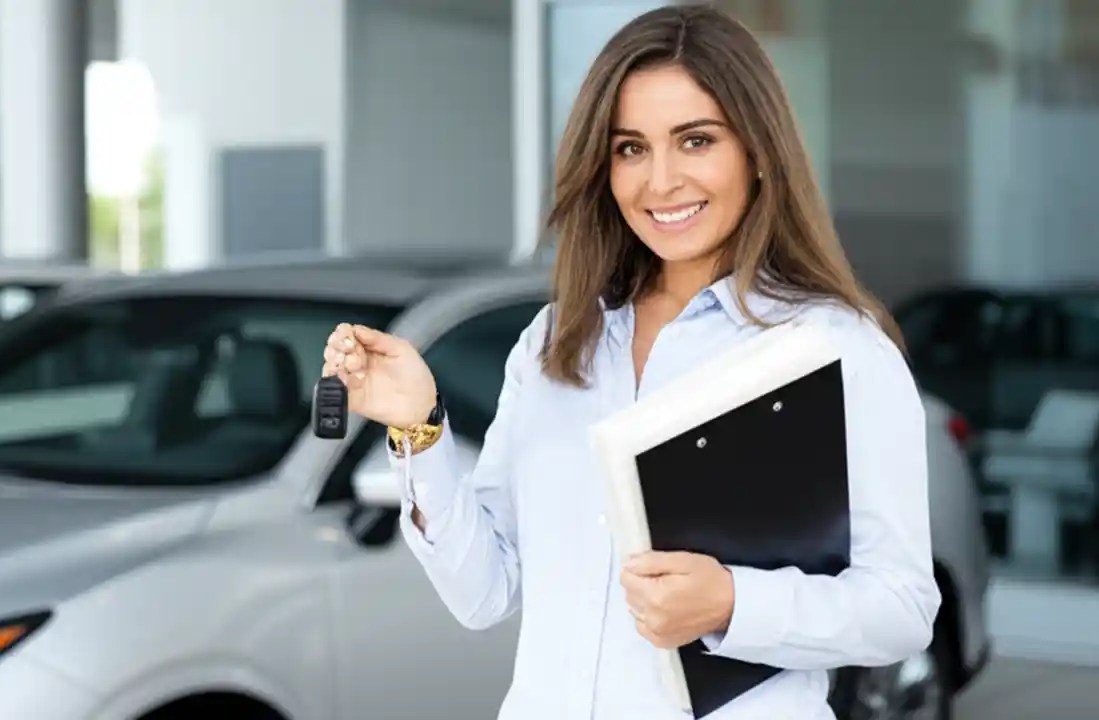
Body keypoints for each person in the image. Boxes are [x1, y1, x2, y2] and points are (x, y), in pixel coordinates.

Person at [321, 5, 940, 718]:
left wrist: (735, 602)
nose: (661, 180)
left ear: (759, 150)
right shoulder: (554, 342)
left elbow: (901, 608)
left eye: (696, 140)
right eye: (631, 149)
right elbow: (485, 593)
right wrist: (418, 430)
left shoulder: (835, 350)